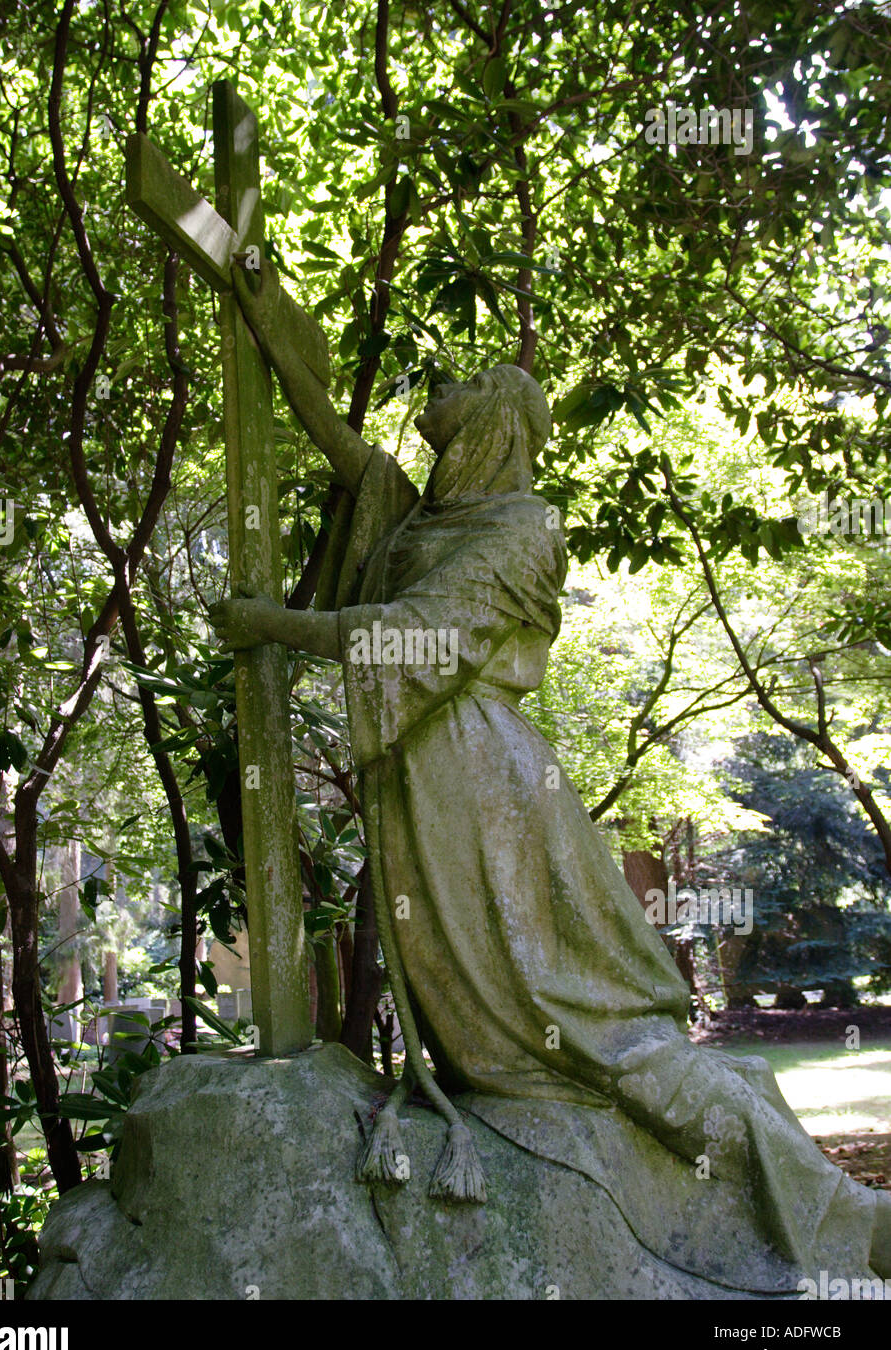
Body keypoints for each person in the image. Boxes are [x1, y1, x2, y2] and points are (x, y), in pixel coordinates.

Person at [211, 260, 891, 1293]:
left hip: (487, 790)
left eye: (466, 382)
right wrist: (256, 293)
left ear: (493, 423)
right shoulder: (414, 518)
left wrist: (268, 626)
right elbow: (335, 435)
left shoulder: (521, 525)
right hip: (428, 785)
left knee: (581, 1029)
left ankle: (843, 1218)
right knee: (504, 1043)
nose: (441, 387)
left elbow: (416, 635)